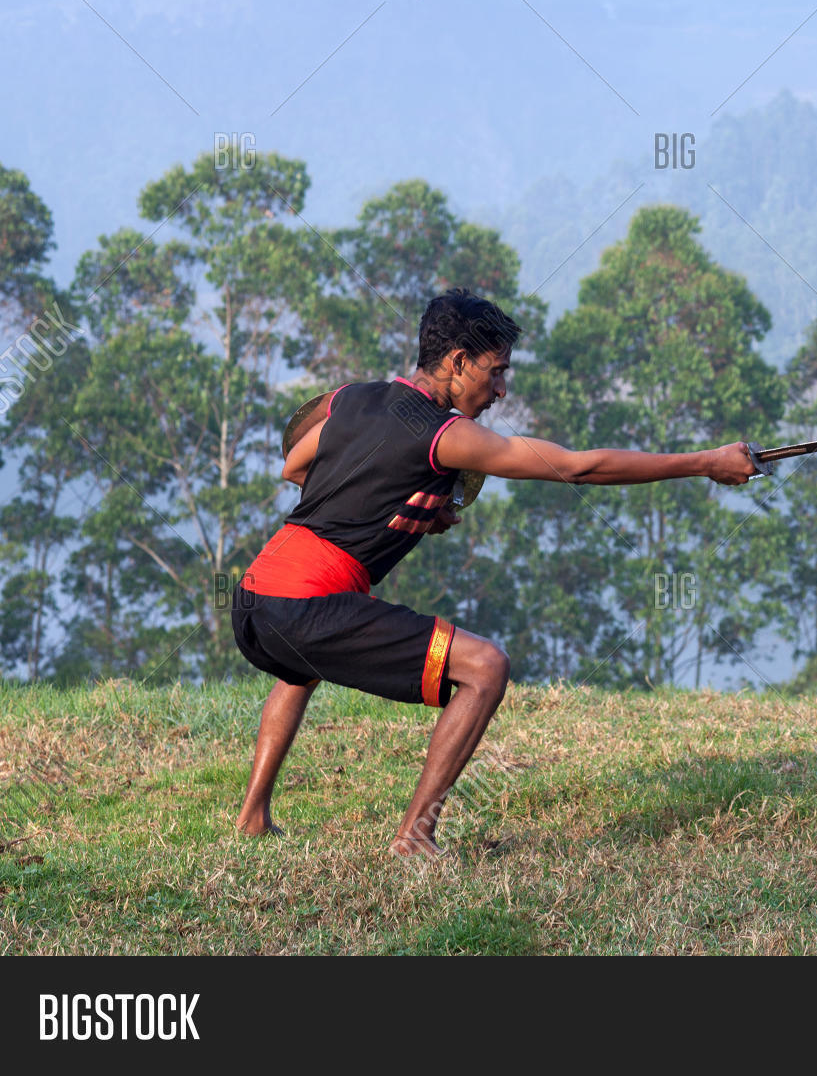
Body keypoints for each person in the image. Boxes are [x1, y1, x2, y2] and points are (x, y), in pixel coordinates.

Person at [231, 287, 758, 856]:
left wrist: (400, 507)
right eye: (496, 370)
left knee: (299, 665)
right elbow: (578, 468)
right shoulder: (445, 435)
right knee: (486, 667)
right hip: (307, 604)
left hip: (255, 599)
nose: (501, 389)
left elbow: (294, 466)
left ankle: (254, 815)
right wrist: (706, 463)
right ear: (458, 361)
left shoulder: (350, 398)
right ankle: (414, 836)